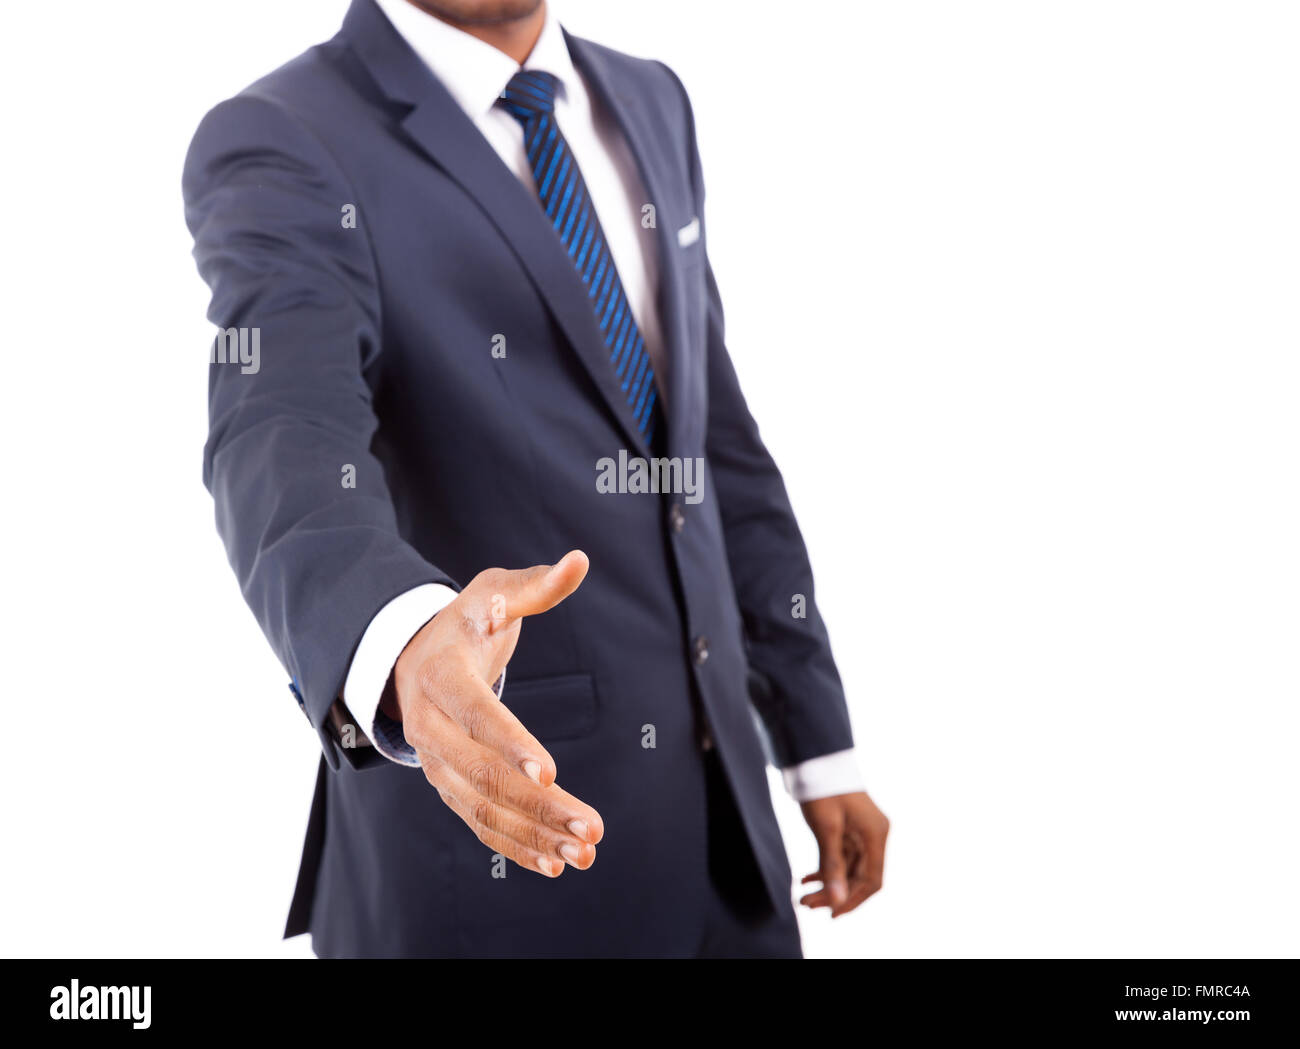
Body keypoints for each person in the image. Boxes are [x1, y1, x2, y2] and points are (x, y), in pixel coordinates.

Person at [183, 0, 889, 958]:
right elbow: (282, 428)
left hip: (732, 850)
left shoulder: (650, 96)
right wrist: (400, 638)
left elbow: (710, 440)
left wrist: (814, 738)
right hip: (495, 875)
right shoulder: (285, 136)